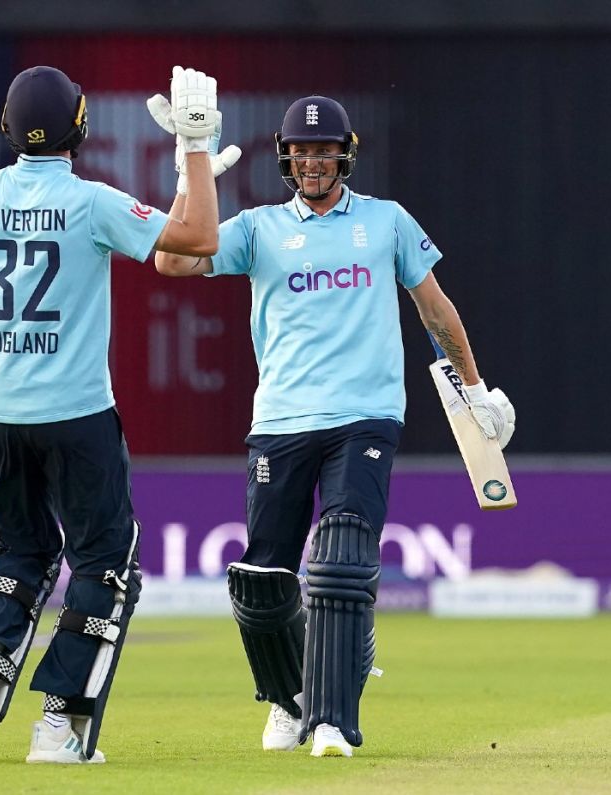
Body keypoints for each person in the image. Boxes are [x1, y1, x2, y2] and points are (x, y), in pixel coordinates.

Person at [0, 64, 225, 764]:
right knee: (105, 560)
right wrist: (196, 149)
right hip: (75, 409)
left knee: (23, 546)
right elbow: (199, 238)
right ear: (81, 128)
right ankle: (59, 724)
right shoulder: (90, 202)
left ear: (7, 129)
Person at [151, 95, 516, 757]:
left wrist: (475, 386)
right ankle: (288, 703)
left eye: (324, 151)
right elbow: (172, 260)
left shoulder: (386, 222)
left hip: (365, 416)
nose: (313, 161)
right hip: (281, 420)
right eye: (302, 151)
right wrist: (189, 177)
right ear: (285, 156)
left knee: (343, 556)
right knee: (263, 577)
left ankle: (333, 719)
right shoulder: (259, 228)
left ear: (345, 153)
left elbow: (435, 308)